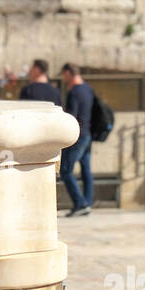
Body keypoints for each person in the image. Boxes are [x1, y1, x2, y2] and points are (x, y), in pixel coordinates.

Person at [60, 63, 95, 217]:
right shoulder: (88, 89)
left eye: (63, 74)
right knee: (86, 170)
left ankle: (80, 203)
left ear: (69, 73)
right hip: (88, 134)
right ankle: (87, 203)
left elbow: (71, 116)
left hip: (78, 136)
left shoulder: (74, 92)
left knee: (66, 170)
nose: (63, 78)